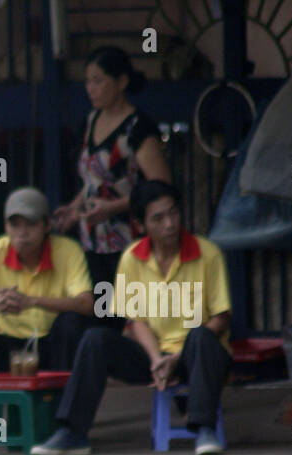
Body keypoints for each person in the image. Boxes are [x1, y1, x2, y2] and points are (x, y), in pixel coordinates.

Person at [31, 180, 232, 455]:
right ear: (140, 225)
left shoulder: (207, 254)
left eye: (173, 213)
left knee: (200, 335)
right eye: (158, 218)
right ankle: (73, 432)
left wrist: (176, 357)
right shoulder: (131, 259)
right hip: (154, 356)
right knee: (95, 339)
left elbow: (221, 318)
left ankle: (204, 429)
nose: (170, 224)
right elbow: (135, 322)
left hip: (197, 356)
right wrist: (156, 360)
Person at [0, 187, 94, 452]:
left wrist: (32, 301)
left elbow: (87, 304)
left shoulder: (67, 250)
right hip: (7, 349)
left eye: (31, 224)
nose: (22, 233)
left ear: (46, 225)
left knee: (73, 323)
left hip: (50, 346)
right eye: (15, 225)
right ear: (5, 227)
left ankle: (65, 424)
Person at [51, 46, 172, 315]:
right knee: (101, 310)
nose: (90, 88)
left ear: (121, 82)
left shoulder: (137, 127)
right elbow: (92, 179)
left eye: (98, 80)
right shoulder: (89, 121)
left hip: (129, 237)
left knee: (129, 312)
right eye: (87, 81)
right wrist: (74, 208)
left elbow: (159, 185)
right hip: (93, 239)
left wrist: (113, 207)